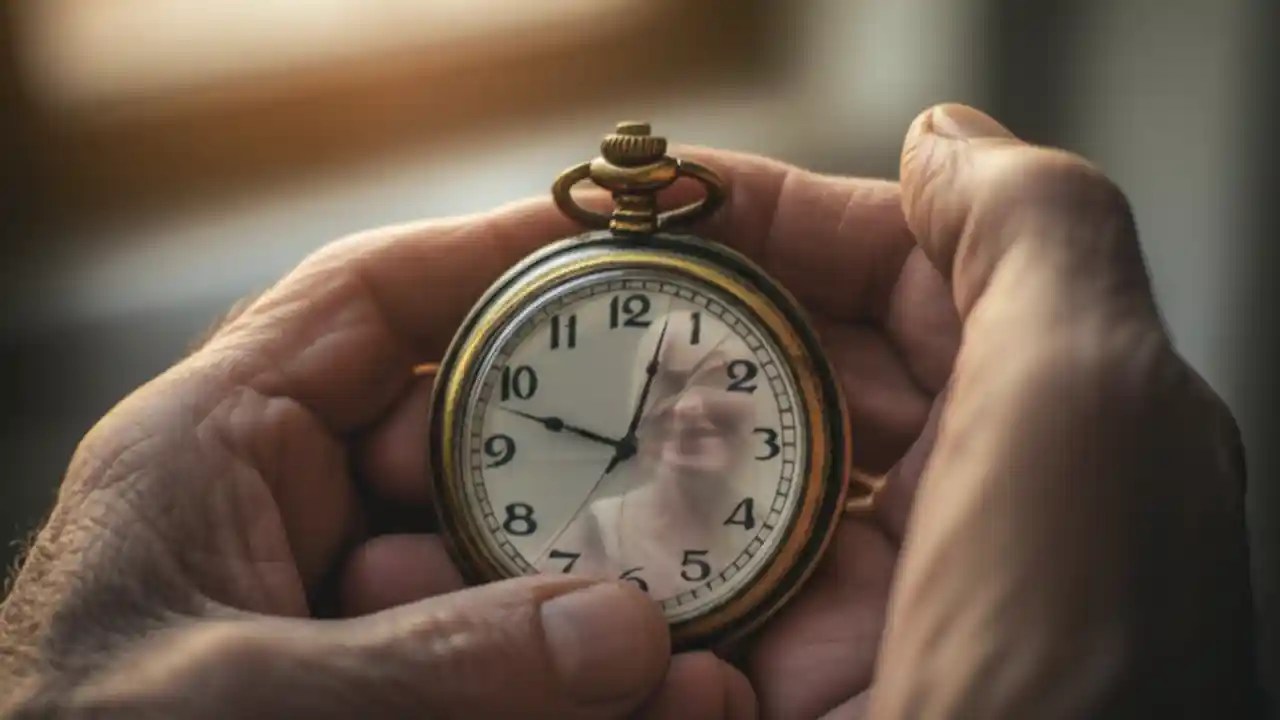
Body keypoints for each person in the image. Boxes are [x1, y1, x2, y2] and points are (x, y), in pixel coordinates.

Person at [0, 104, 1258, 718]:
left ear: (775, 423)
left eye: (724, 385)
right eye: (656, 400)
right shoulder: (560, 544)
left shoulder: (757, 537)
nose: (689, 416)